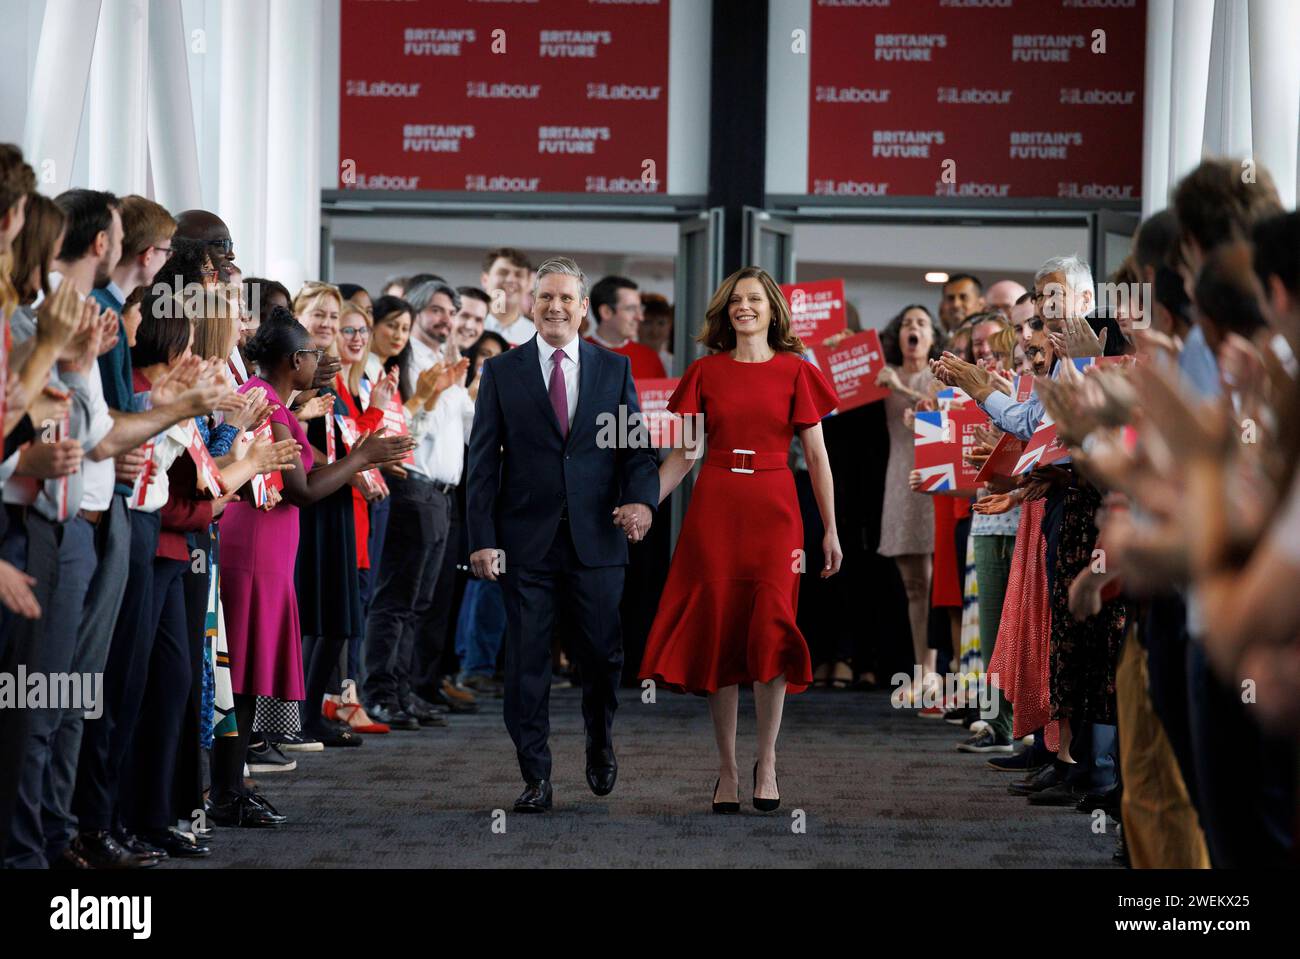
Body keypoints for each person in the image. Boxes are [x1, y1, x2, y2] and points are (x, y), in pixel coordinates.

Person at [638, 266, 841, 813]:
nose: (743, 308)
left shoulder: (797, 371)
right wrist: (643, 505)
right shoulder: (704, 371)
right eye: (734, 301)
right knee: (722, 633)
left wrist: (831, 530)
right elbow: (683, 456)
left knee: (772, 631)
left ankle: (767, 760)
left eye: (753, 299)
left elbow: (818, 459)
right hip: (716, 506)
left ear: (773, 309)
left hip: (777, 510)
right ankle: (728, 769)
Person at [467, 256, 659, 813]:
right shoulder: (502, 372)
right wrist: (482, 537)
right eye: (545, 298)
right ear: (531, 304)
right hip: (524, 544)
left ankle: (599, 741)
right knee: (526, 663)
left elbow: (636, 452)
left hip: (598, 542)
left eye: (566, 299)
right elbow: (482, 465)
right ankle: (536, 776)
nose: (555, 307)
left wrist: (642, 503)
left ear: (581, 308)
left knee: (601, 657)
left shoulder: (612, 369)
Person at [207, 309, 413, 827]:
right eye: (313, 354)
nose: (320, 361)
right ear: (294, 360)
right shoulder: (267, 403)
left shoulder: (274, 397)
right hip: (255, 543)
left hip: (267, 544)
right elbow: (302, 490)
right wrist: (361, 458)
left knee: (249, 670)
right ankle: (227, 792)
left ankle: (233, 785)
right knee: (243, 674)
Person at [874, 304, 943, 703]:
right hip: (899, 476)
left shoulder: (939, 374)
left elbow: (940, 411)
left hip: (934, 478)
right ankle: (922, 672)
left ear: (933, 336)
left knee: (937, 583)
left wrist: (899, 389)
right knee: (913, 584)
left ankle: (939, 673)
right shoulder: (883, 374)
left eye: (921, 323)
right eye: (906, 324)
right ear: (897, 336)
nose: (913, 329)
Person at [585, 275, 667, 381]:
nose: (640, 317)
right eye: (631, 309)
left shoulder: (650, 358)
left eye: (640, 309)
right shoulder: (576, 355)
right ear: (606, 312)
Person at [480, 247, 535, 346]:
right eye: (503, 273)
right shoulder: (467, 329)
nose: (510, 280)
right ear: (485, 280)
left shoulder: (537, 337)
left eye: (519, 275)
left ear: (528, 283)